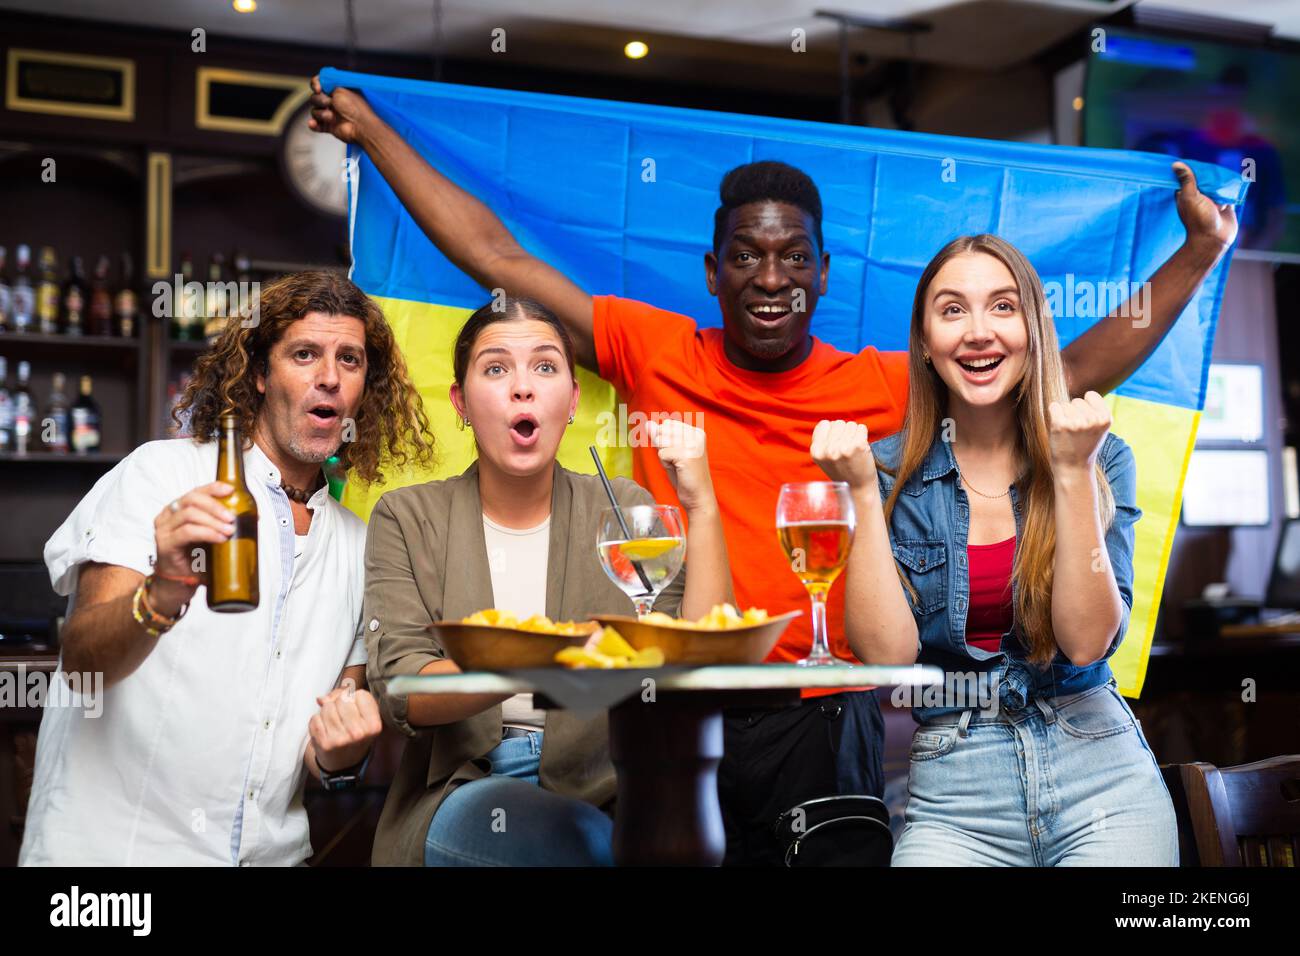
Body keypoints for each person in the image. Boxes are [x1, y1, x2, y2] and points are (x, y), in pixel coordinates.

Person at [309, 76, 1234, 864]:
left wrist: (1197, 250)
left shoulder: (882, 384)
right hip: (678, 710)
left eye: (794, 256)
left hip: (822, 712)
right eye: (746, 255)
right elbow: (494, 256)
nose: (770, 275)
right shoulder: (652, 349)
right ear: (712, 271)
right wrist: (375, 131)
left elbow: (1061, 368)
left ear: (826, 273)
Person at [20, 271, 435, 866]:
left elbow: (323, 753)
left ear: (365, 388)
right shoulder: (160, 477)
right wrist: (161, 595)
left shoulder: (360, 546)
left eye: (350, 358)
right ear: (261, 374)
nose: (329, 376)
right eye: (304, 354)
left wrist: (346, 749)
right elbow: (83, 664)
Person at [812, 234, 1176, 865]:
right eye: (953, 310)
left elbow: (1086, 642)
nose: (979, 331)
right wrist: (863, 496)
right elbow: (888, 659)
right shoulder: (886, 472)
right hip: (957, 793)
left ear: (1034, 329)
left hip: (1101, 771)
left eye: (1003, 307)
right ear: (925, 342)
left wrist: (1071, 472)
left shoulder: (1101, 456)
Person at [364, 295, 732, 866]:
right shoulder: (407, 518)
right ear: (460, 403)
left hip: (610, 784)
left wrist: (701, 503)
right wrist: (543, 656)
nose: (522, 388)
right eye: (495, 368)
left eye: (544, 366)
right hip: (466, 790)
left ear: (572, 399)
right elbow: (405, 691)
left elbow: (699, 654)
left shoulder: (621, 513)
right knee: (582, 848)